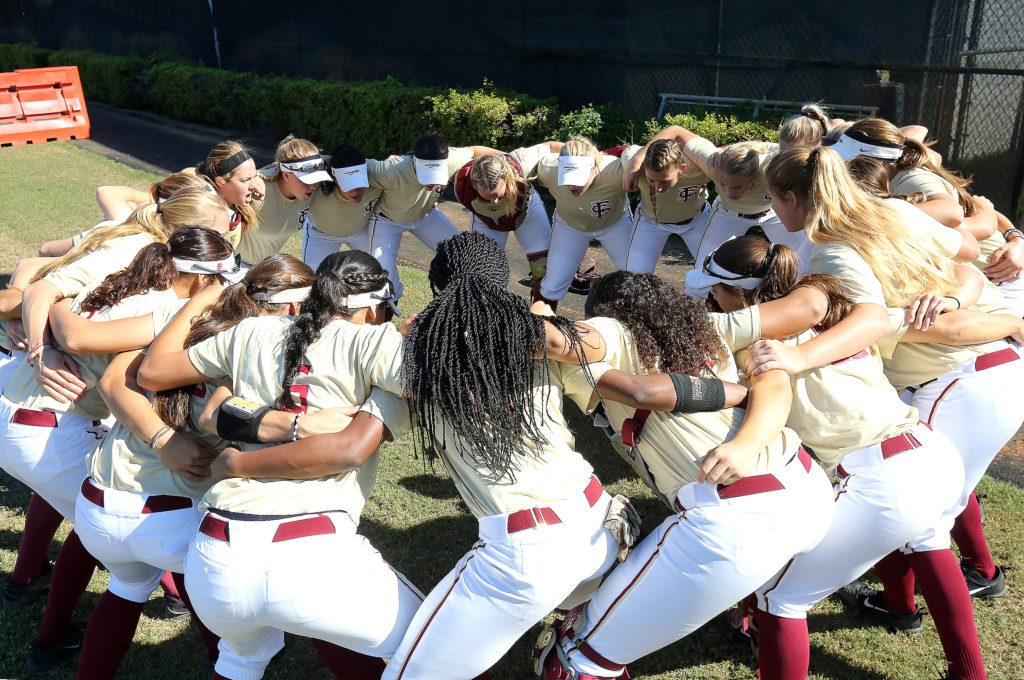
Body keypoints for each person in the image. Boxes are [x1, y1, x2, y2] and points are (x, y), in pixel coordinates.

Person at [748, 146, 1024, 680]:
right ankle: (914, 619)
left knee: (922, 525)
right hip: (990, 364)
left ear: (791, 198)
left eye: (772, 199)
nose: (772, 211)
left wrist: (800, 355)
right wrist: (959, 295)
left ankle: (953, 648)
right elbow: (967, 250)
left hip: (961, 372)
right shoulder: (890, 209)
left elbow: (882, 320)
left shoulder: (832, 248)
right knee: (927, 522)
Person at [686, 236, 965, 680]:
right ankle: (968, 671)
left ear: (741, 295)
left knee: (778, 596)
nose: (710, 298)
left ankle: (761, 633)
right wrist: (1008, 320)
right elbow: (910, 318)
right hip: (933, 453)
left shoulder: (754, 343)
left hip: (881, 476)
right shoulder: (841, 314)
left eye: (716, 289)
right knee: (929, 539)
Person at [535, 269, 835, 680]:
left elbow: (554, 339)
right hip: (809, 489)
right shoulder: (706, 325)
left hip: (737, 515)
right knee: (782, 601)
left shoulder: (613, 331)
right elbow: (809, 311)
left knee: (576, 655)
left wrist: (536, 309)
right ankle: (748, 616)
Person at [137, 250, 423, 680]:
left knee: (239, 662)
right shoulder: (375, 341)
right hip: (306, 548)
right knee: (438, 641)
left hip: (213, 557)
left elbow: (156, 374)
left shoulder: (252, 330)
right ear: (371, 304)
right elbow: (458, 392)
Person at [1, 227, 240, 673]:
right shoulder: (165, 307)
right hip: (52, 425)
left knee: (100, 536)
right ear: (204, 278)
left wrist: (44, 335)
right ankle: (219, 644)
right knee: (138, 535)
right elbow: (105, 368)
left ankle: (48, 635)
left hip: (19, 409)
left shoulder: (128, 277)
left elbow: (51, 301)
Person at [621, 126, 812, 299]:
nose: (728, 192)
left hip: (771, 213)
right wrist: (637, 161)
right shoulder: (712, 161)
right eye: (722, 184)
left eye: (737, 187)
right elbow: (676, 131)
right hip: (728, 215)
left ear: (756, 178)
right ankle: (692, 313)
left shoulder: (774, 167)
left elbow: (809, 153)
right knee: (704, 274)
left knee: (805, 266)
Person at [367, 134, 500, 298]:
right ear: (415, 163)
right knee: (383, 283)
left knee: (464, 255)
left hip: (426, 215)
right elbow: (354, 164)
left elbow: (475, 151)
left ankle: (459, 304)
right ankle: (385, 318)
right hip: (387, 221)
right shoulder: (389, 170)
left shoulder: (451, 158)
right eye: (426, 175)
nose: (431, 183)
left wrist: (509, 159)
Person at [533, 137, 635, 305]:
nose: (572, 184)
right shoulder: (548, 170)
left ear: (594, 169)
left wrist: (635, 163)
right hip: (570, 226)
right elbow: (523, 158)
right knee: (552, 285)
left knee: (637, 276)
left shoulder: (615, 171)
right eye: (567, 176)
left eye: (578, 177)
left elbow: (643, 158)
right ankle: (541, 327)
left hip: (615, 224)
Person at [454, 143, 561, 301]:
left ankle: (541, 319)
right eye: (488, 197)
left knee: (544, 269)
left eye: (498, 194)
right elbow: (467, 151)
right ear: (474, 185)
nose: (495, 201)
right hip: (486, 221)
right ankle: (489, 319)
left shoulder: (521, 161)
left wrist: (591, 155)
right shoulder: (459, 174)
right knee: (483, 275)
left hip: (526, 211)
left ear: (506, 177)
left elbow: (551, 145)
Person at [234, 135, 333, 266]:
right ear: (286, 175)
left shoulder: (309, 190)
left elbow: (340, 160)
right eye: (307, 180)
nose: (313, 186)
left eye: (317, 178)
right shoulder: (257, 187)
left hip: (265, 267)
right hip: (235, 266)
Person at [622, 138, 711, 272]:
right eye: (651, 180)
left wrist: (704, 183)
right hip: (650, 222)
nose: (658, 188)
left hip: (697, 219)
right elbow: (624, 152)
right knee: (636, 275)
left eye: (665, 181)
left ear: (682, 168)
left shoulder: (699, 167)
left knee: (713, 271)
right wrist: (633, 164)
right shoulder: (634, 163)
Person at [302, 144, 382, 269]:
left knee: (380, 269)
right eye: (349, 184)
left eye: (359, 182)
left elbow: (403, 166)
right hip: (321, 234)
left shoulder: (378, 180)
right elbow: (291, 166)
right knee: (312, 277)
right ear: (334, 179)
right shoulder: (315, 189)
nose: (355, 191)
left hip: (362, 231)